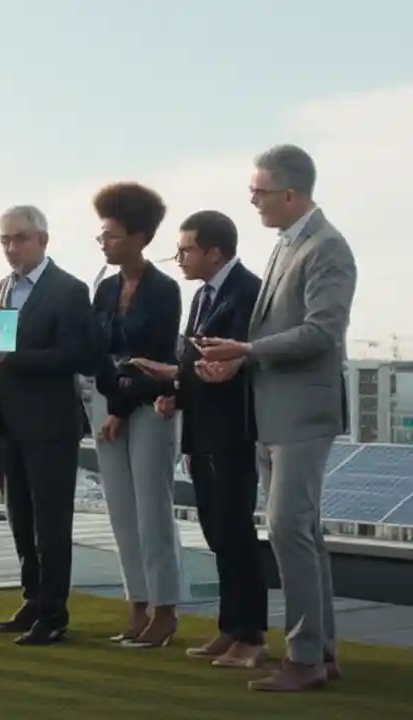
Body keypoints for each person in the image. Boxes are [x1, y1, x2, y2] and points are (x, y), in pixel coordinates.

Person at [196, 144, 356, 692]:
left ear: (290, 194)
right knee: (302, 533)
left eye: (260, 192)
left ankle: (305, 658)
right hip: (276, 413)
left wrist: (246, 351)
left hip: (303, 415)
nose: (253, 201)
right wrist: (238, 360)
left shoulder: (326, 248)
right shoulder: (290, 244)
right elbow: (276, 334)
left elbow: (320, 333)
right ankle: (321, 652)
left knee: (288, 530)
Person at [131, 210, 269, 668]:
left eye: (187, 249)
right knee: (216, 533)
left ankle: (251, 635)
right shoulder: (203, 296)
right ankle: (229, 628)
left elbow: (237, 365)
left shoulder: (247, 292)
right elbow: (198, 365)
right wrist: (176, 385)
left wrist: (180, 378)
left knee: (235, 533)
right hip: (203, 431)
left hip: (233, 432)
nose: (180, 258)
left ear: (215, 251)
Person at [0, 205, 96, 646]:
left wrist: (10, 357)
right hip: (8, 419)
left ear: (42, 240)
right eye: (5, 240)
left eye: (20, 239)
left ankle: (54, 612)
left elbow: (76, 355)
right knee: (20, 519)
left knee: (51, 522)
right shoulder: (3, 287)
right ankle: (33, 600)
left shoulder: (68, 290)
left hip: (51, 422)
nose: (11, 248)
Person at [90, 181, 185, 649]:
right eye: (101, 235)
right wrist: (110, 406)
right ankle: (138, 606)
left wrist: (122, 409)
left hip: (150, 406)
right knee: (121, 513)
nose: (105, 243)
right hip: (108, 405)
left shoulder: (164, 290)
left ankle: (165, 611)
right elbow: (98, 352)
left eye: (111, 235)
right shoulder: (104, 290)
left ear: (139, 237)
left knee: (153, 510)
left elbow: (156, 357)